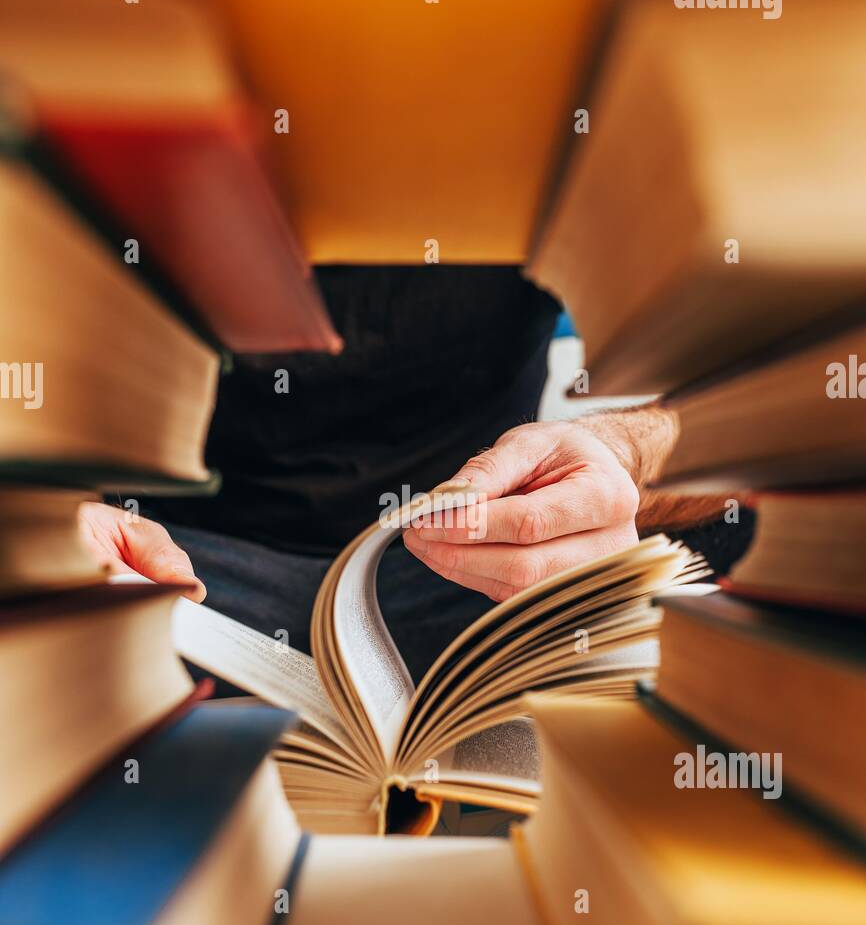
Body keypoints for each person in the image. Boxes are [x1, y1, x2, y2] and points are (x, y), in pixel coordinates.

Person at [78, 266, 751, 684]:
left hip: (475, 570)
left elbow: (766, 396)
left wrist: (627, 457)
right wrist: (50, 517)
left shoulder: (549, 94)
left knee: (748, 528)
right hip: (180, 561)